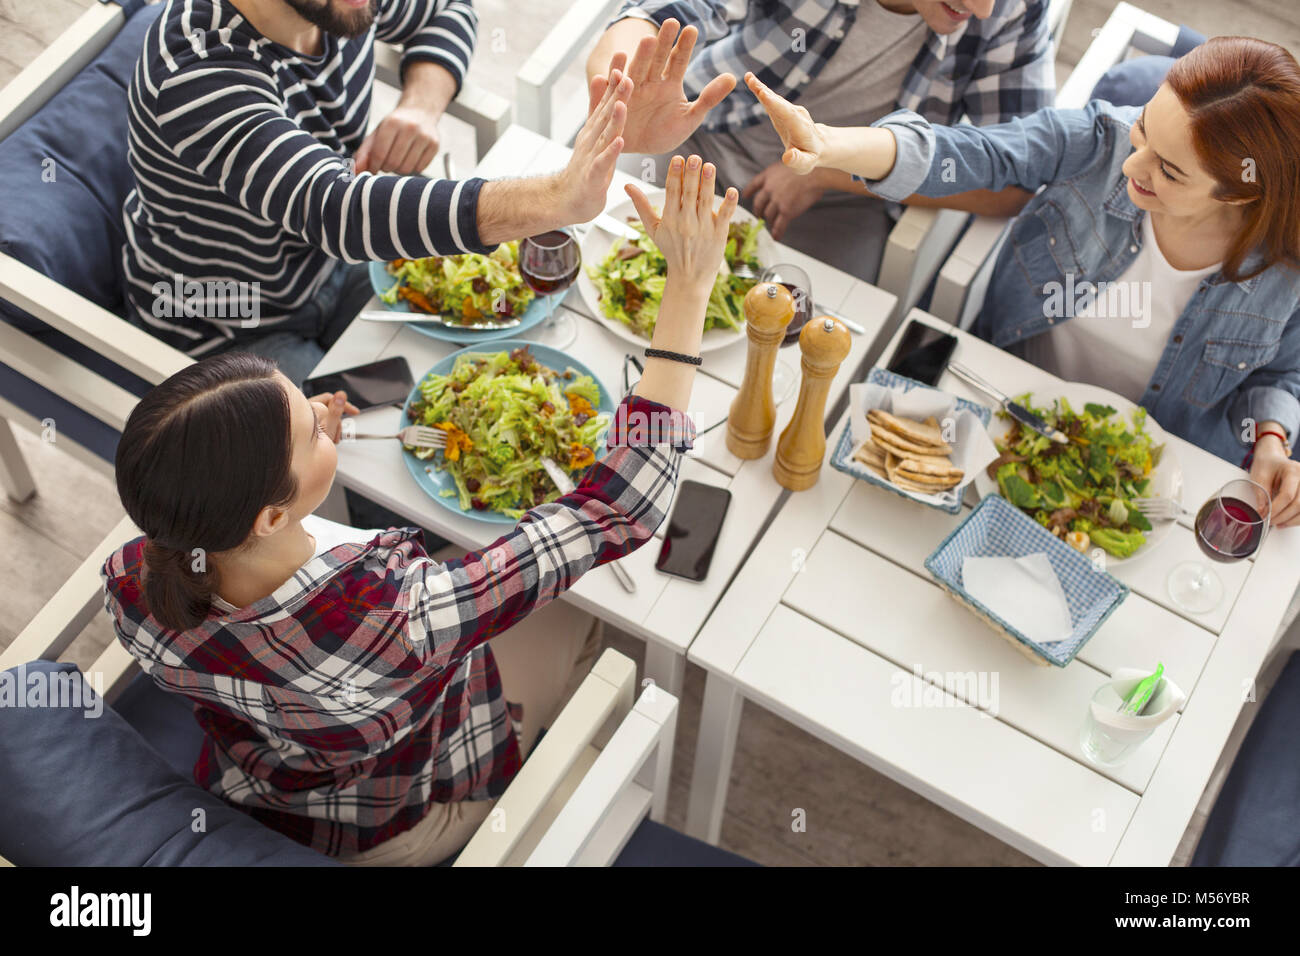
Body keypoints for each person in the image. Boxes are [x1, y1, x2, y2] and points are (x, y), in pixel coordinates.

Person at [100, 152, 738, 866]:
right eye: (309, 428)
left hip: (261, 786)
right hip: (399, 824)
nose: (322, 408)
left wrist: (303, 467)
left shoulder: (133, 579)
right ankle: (539, 784)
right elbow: (619, 508)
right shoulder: (404, 610)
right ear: (268, 517)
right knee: (592, 623)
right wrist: (688, 286)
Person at [742, 36, 1300, 525]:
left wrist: (1270, 443)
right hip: (998, 411)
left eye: (1169, 170)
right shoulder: (1097, 142)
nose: (1133, 166)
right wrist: (829, 146)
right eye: (1144, 131)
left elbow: (1281, 371)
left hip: (1152, 489)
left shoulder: (1287, 267)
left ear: (1237, 193)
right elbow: (968, 154)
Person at [122, 0, 630, 387]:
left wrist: (423, 103)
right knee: (370, 470)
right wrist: (555, 197)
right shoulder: (195, 70)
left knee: (499, 364)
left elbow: (450, 7)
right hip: (229, 326)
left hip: (336, 269)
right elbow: (337, 209)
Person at [586, 1, 1054, 281]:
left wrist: (828, 174)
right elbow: (667, 9)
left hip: (842, 203)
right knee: (593, 260)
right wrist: (622, 79)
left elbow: (1013, 180)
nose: (985, 9)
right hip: (697, 137)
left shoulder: (1016, 10)